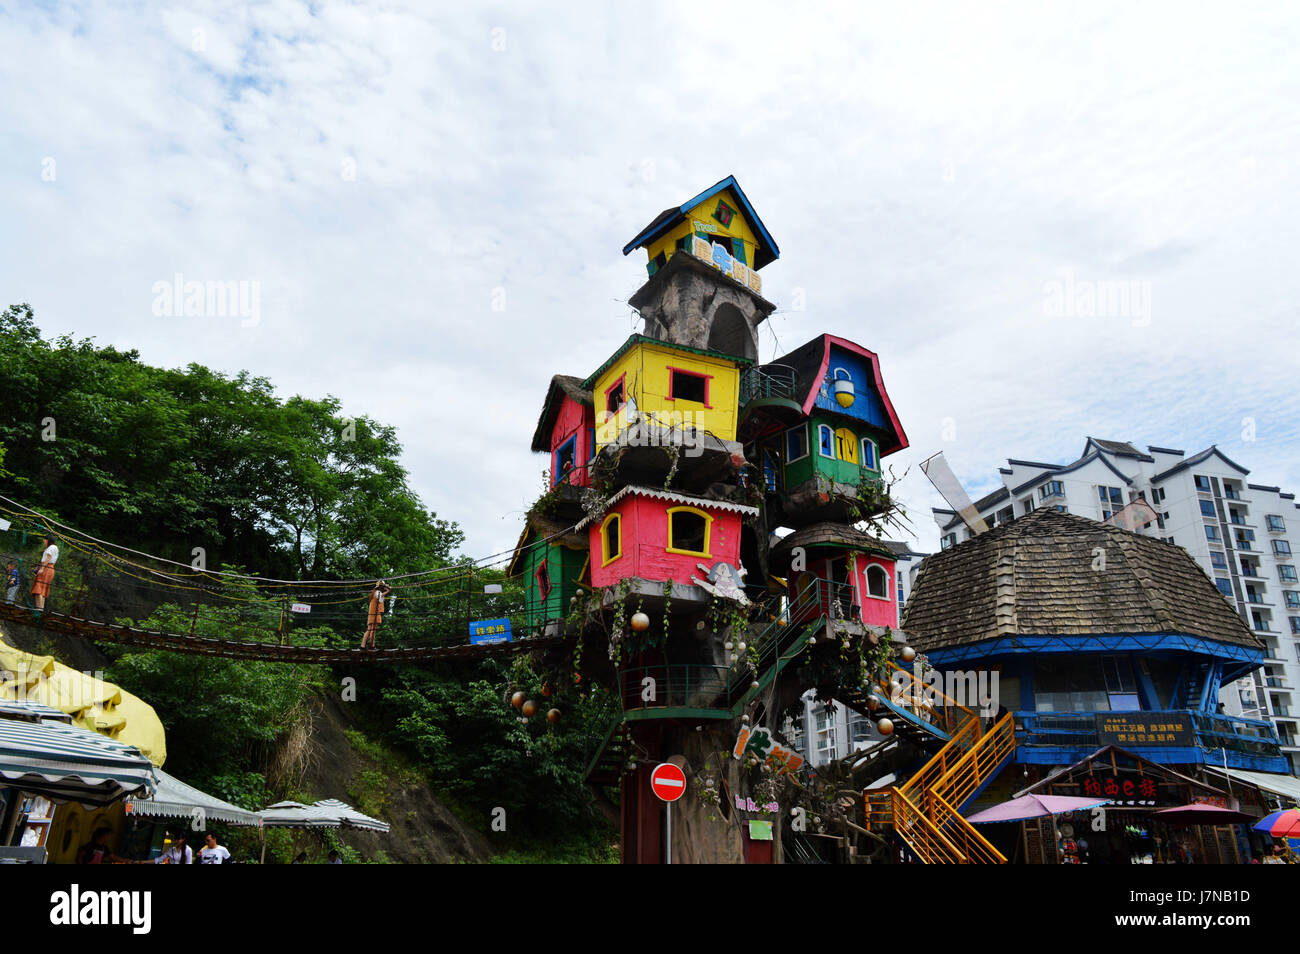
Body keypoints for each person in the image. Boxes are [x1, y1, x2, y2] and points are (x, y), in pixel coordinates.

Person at [361, 580, 392, 650]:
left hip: (372, 613)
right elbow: (380, 598)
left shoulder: (374, 593)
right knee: (373, 630)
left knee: (369, 630)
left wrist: (386, 590)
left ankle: (363, 645)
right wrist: (388, 591)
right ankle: (372, 645)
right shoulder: (378, 593)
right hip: (375, 613)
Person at [30, 536, 58, 612]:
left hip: (46, 568)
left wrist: (42, 568)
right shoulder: (55, 547)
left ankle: (39, 608)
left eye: (44, 541)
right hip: (50, 568)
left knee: (38, 586)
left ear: (48, 540)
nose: (44, 543)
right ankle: (40, 608)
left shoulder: (51, 547)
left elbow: (48, 558)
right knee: (43, 588)